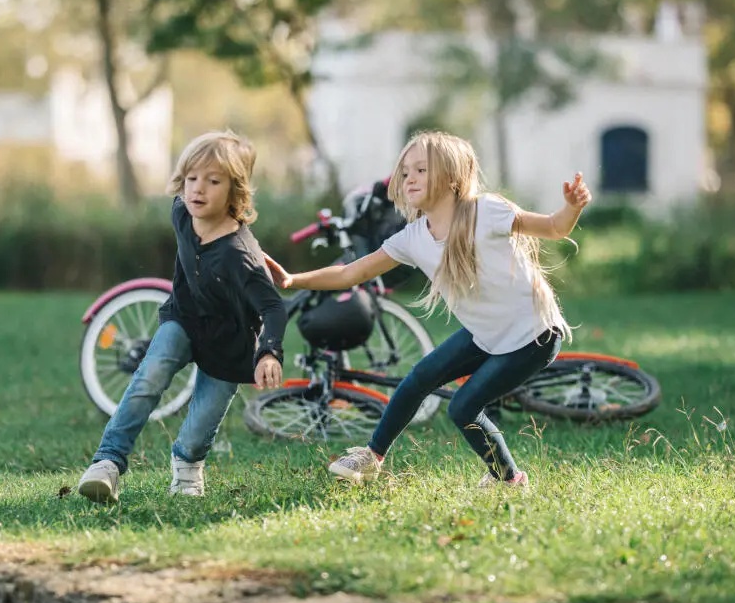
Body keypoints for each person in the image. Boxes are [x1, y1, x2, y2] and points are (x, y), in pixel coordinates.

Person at [264, 130, 591, 488]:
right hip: (486, 335)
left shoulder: (487, 212)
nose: (410, 179)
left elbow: (555, 228)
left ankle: (509, 480)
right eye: (405, 172)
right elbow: (350, 272)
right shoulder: (412, 237)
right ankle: (371, 458)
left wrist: (572, 207)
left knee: (463, 407)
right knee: (417, 380)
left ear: (451, 177)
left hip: (534, 337)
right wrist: (293, 280)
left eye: (421, 169)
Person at [77, 130, 285, 503]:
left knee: (200, 425)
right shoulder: (182, 214)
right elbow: (201, 175)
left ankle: (187, 468)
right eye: (191, 179)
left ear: (235, 191)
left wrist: (269, 351)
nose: (197, 190)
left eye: (213, 180)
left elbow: (272, 307)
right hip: (185, 320)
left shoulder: (241, 256)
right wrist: (222, 144)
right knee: (149, 376)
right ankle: (107, 462)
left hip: (229, 345)